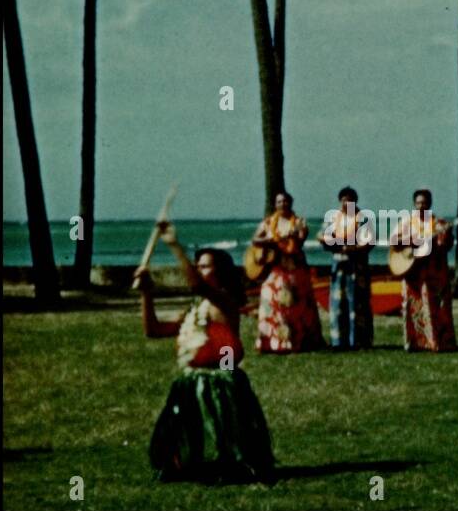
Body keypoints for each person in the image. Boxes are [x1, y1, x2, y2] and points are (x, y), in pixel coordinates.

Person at [135, 222, 275, 484]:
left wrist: (174, 245)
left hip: (220, 381)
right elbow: (153, 330)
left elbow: (197, 285)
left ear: (220, 271)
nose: (199, 270)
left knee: (226, 438)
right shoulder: (197, 308)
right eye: (198, 266)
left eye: (205, 265)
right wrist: (147, 292)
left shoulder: (224, 302)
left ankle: (229, 464)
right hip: (193, 381)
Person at [252, 191, 325, 353]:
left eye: (285, 201)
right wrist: (272, 240)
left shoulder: (299, 222)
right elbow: (255, 240)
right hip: (275, 270)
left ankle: (299, 341)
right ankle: (271, 341)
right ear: (275, 204)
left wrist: (291, 236)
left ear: (291, 203)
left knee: (296, 305)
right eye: (279, 202)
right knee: (272, 305)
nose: (282, 204)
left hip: (294, 270)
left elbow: (300, 240)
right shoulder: (268, 222)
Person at [390, 189, 456, 352]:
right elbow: (394, 242)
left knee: (436, 307)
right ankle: (414, 342)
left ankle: (437, 342)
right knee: (413, 305)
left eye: (424, 202)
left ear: (430, 203)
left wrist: (446, 235)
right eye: (418, 202)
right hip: (412, 271)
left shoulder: (438, 223)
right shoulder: (406, 222)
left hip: (434, 271)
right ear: (414, 204)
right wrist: (411, 240)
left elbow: (445, 247)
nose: (421, 206)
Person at [319, 186, 374, 349]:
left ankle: (358, 340)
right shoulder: (333, 218)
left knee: (357, 304)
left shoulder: (362, 218)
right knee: (338, 303)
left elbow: (369, 242)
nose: (346, 203)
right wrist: (330, 242)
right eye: (343, 200)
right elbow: (322, 235)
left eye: (349, 200)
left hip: (357, 267)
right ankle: (339, 341)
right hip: (339, 266)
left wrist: (351, 248)